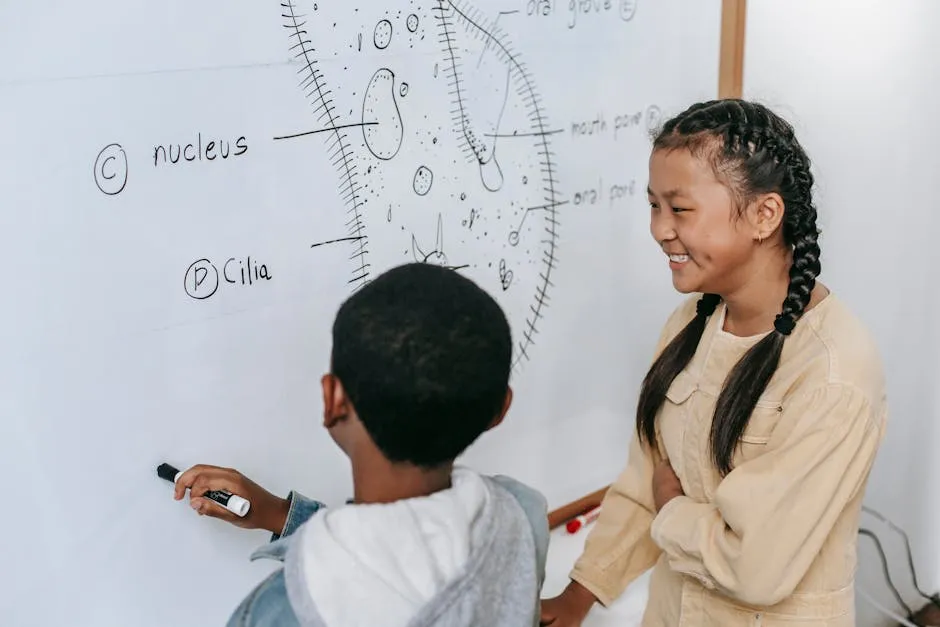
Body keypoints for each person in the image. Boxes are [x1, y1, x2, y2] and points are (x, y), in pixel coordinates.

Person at [540, 99, 887, 626]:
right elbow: (645, 477)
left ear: (764, 215)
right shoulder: (688, 323)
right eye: (653, 206)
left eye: (679, 209)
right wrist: (579, 593)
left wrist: (671, 510)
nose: (659, 229)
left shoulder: (832, 372)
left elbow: (755, 566)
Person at [172, 262, 550, 627]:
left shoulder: (275, 613)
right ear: (500, 410)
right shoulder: (522, 514)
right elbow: (404, 553)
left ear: (333, 399)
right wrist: (277, 513)